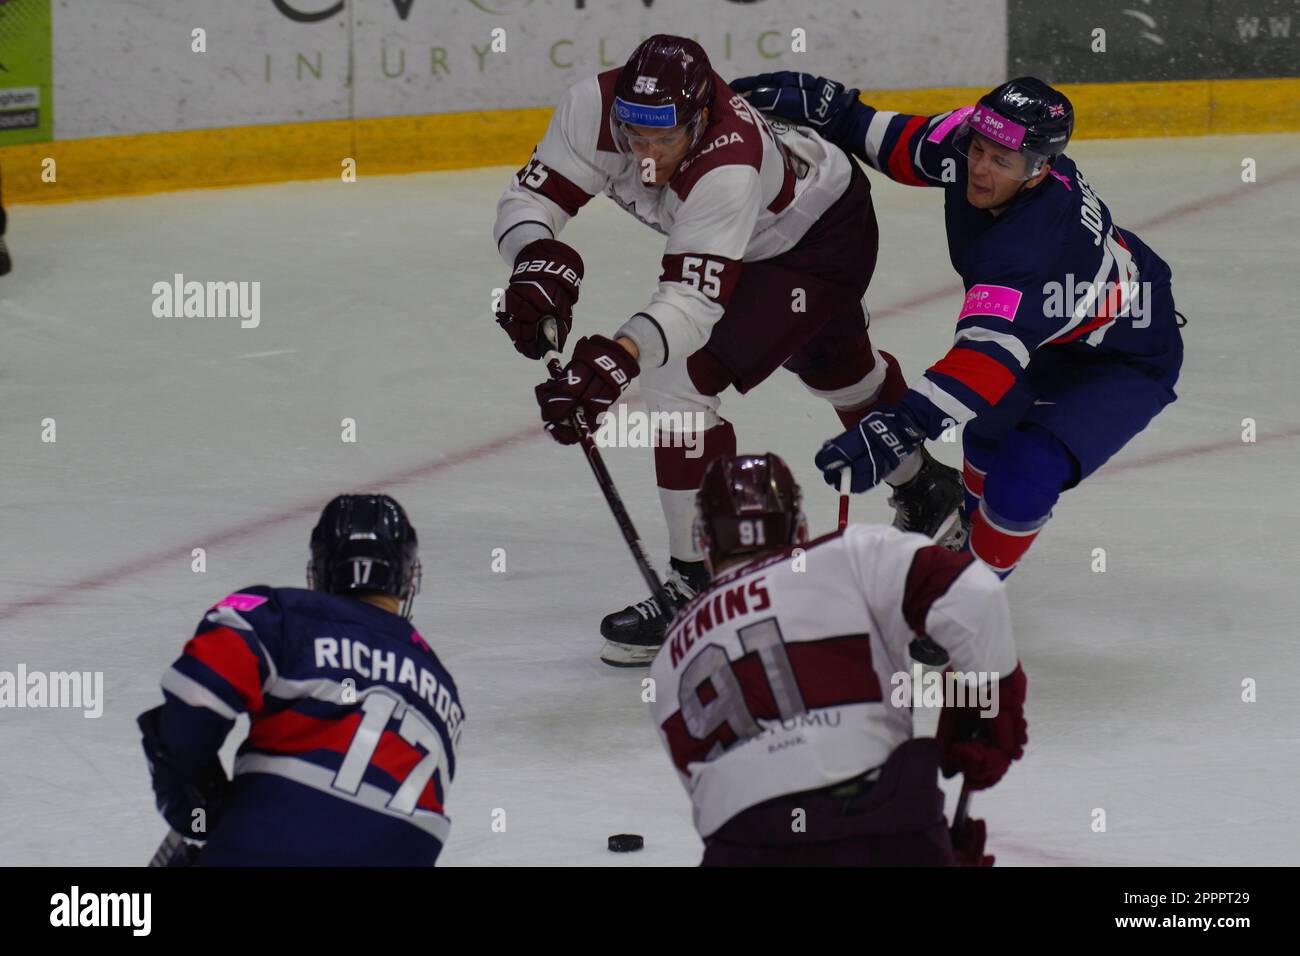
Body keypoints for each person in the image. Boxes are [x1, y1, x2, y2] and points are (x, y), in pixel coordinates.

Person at [493, 35, 961, 666]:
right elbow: (529, 200)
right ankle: (926, 484)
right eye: (634, 137)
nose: (647, 158)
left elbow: (691, 303)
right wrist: (532, 259)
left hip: (817, 244)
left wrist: (617, 357)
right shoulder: (590, 107)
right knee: (838, 365)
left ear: (701, 117)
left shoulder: (729, 165)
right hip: (807, 204)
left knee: (678, 381)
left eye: (664, 141)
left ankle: (702, 580)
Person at [733, 72, 1184, 576]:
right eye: (979, 149)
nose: (980, 169)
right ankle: (963, 541)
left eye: (1001, 161)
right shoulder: (968, 143)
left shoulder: (1032, 248)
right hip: (1052, 334)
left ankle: (966, 601)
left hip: (1125, 357)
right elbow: (896, 143)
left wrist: (901, 425)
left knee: (1025, 475)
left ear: (1037, 170)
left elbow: (984, 361)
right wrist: (835, 110)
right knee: (986, 438)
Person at [647, 453, 1027, 866]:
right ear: (801, 530)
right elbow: (974, 594)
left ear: (704, 544)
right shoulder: (849, 554)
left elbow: (713, 808)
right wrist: (988, 707)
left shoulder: (668, 657)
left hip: (747, 846)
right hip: (882, 821)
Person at [138, 494, 462, 866]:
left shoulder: (280, 617)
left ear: (321, 569)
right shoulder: (444, 692)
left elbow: (193, 700)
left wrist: (194, 805)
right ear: (406, 577)